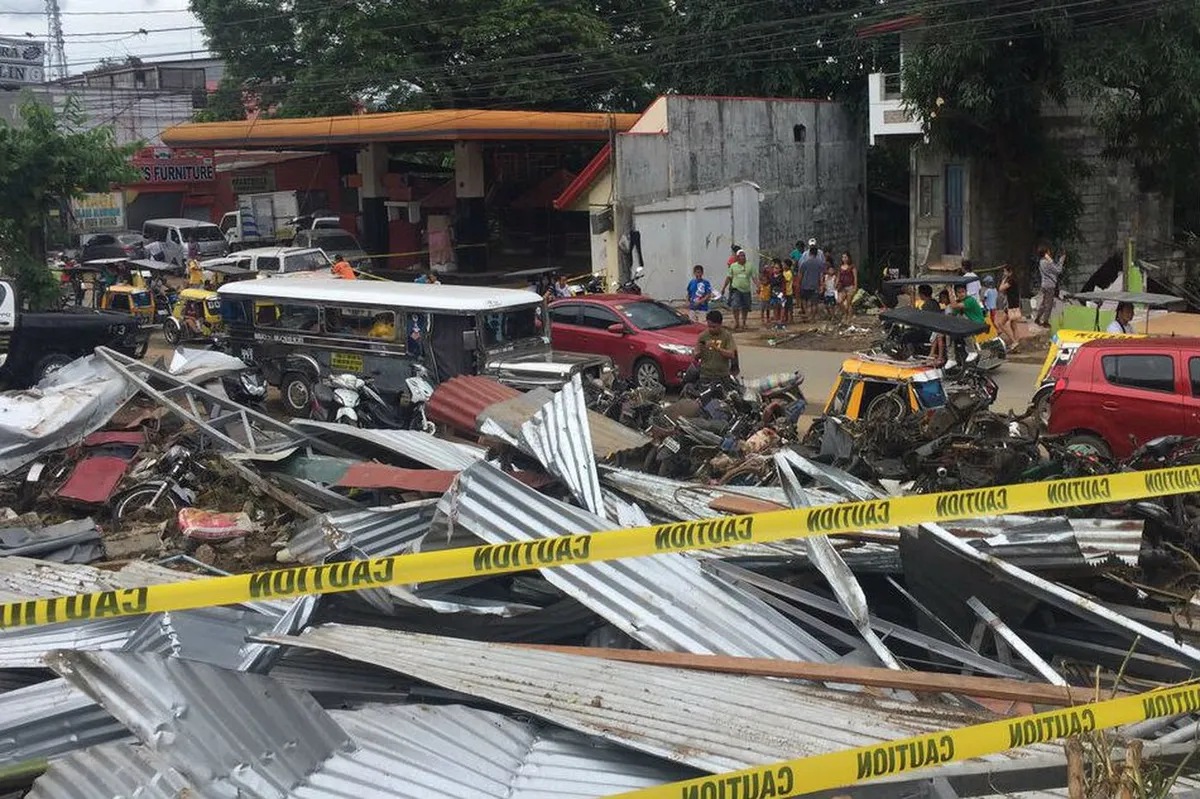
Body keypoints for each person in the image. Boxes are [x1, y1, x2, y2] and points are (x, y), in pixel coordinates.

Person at [696, 309, 737, 382]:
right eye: (709, 326)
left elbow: (731, 354)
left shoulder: (727, 336)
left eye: (714, 327)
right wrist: (700, 349)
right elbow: (695, 356)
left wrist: (716, 348)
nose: (711, 329)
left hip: (722, 375)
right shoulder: (702, 336)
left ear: (720, 324)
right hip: (705, 375)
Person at [721, 249, 753, 330]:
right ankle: (736, 322)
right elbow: (728, 277)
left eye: (744, 256)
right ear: (737, 257)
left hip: (746, 289)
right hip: (735, 289)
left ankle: (744, 322)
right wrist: (723, 288)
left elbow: (754, 277)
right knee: (735, 305)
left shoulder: (750, 265)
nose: (743, 257)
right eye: (741, 256)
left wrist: (759, 286)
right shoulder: (733, 266)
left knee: (745, 307)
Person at [1035, 246, 1065, 327]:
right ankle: (1045, 321)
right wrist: (1061, 261)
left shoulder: (1041, 261)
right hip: (1050, 285)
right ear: (1046, 253)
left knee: (1044, 302)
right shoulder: (1047, 263)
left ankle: (1037, 318)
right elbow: (1058, 270)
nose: (1050, 252)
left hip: (1044, 284)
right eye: (1048, 251)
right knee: (1049, 304)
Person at [797, 239, 824, 318]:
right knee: (814, 303)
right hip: (815, 285)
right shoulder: (820, 263)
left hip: (805, 284)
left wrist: (799, 284)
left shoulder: (804, 263)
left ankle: (808, 315)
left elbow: (800, 273)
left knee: (805, 300)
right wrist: (822, 285)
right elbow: (821, 274)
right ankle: (812, 317)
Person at [998, 264, 1021, 352]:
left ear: (1009, 272)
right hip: (1013, 304)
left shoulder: (1011, 280)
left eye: (1005, 271)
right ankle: (1016, 344)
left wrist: (1003, 280)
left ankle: (1014, 341)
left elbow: (1001, 288)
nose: (1004, 273)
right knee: (1013, 325)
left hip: (1011, 306)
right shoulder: (1013, 279)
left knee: (1001, 323)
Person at [836, 251, 858, 323]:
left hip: (850, 287)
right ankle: (845, 314)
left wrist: (855, 287)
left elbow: (855, 277)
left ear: (848, 258)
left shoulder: (852, 267)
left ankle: (848, 317)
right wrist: (836, 284)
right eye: (843, 257)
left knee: (849, 303)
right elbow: (838, 277)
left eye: (845, 257)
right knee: (839, 301)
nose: (844, 259)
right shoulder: (840, 267)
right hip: (842, 287)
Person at [781, 259, 795, 324]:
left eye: (784, 265)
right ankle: (786, 318)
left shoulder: (789, 273)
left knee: (789, 307)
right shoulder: (783, 272)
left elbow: (786, 281)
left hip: (788, 292)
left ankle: (791, 319)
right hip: (784, 292)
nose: (783, 266)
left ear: (788, 266)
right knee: (785, 306)